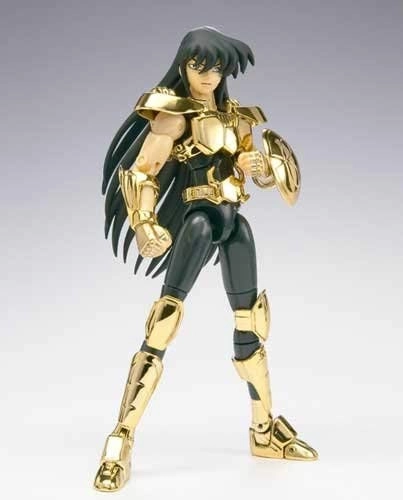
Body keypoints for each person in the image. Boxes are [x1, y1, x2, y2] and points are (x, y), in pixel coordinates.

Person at [94, 26, 317, 492]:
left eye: (216, 67)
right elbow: (142, 171)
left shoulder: (237, 117)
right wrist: (145, 222)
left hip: (235, 223)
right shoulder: (173, 115)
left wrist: (259, 168)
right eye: (199, 66)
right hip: (197, 221)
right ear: (183, 65)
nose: (208, 75)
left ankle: (263, 429)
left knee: (252, 321)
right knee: (164, 319)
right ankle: (121, 438)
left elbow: (257, 173)